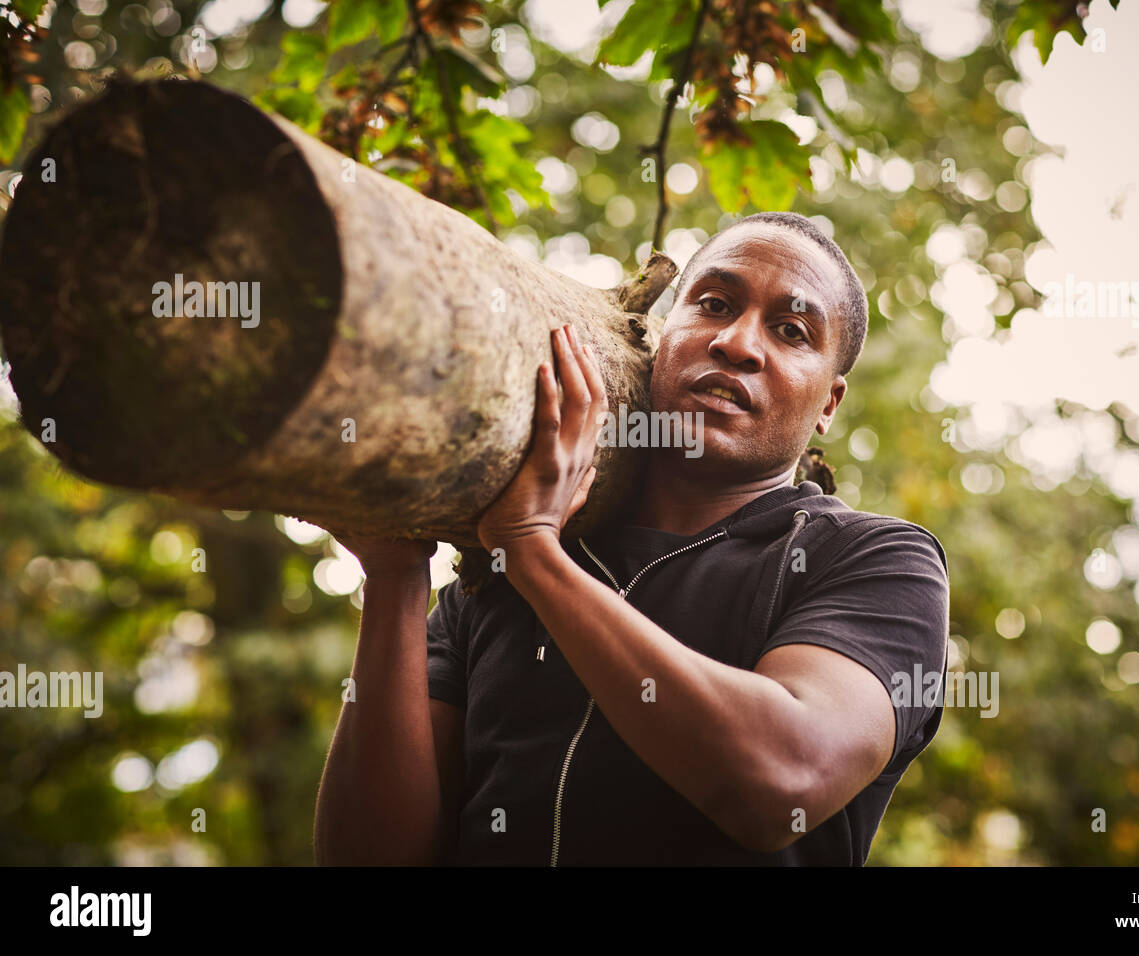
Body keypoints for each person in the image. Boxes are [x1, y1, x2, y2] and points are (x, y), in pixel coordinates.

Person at [314, 211, 950, 866]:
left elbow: (781, 780)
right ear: (661, 335)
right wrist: (396, 575)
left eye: (790, 330)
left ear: (829, 404)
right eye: (713, 304)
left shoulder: (879, 564)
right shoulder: (490, 574)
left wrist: (535, 551)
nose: (737, 342)